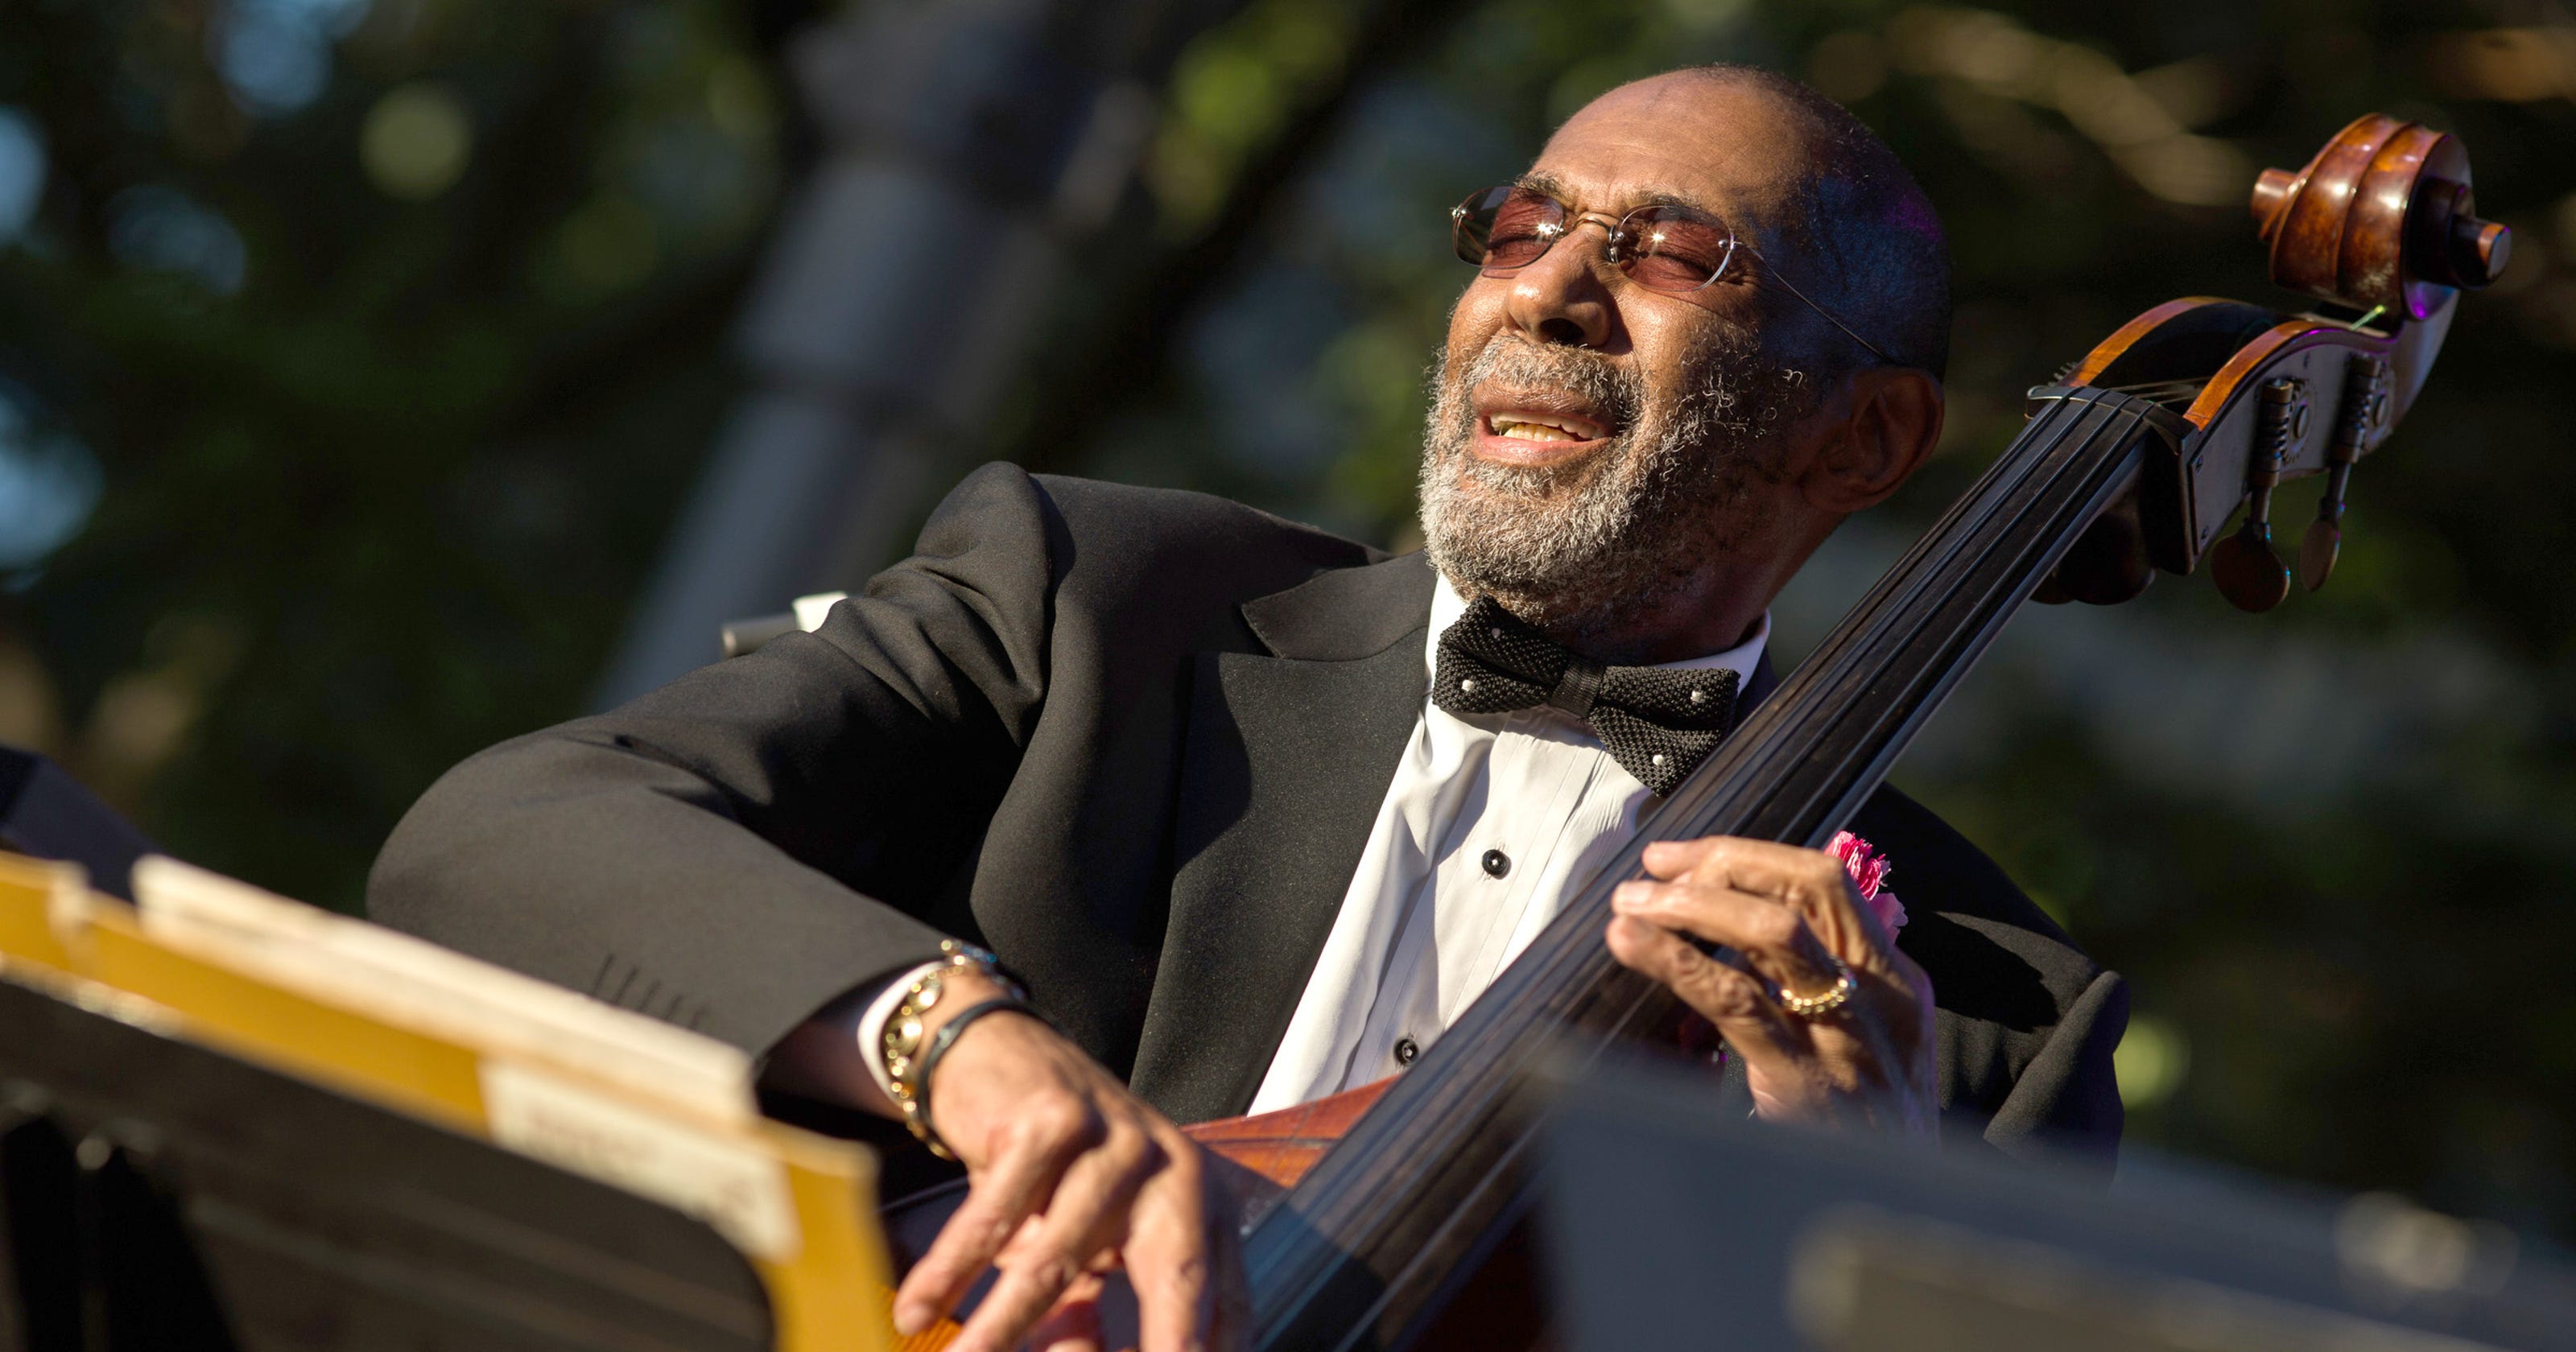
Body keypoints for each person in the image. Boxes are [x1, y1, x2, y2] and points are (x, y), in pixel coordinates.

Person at [370, 64, 2126, 1352]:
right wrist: (961, 1053)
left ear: (1866, 439)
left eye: (1671, 252)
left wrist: (1849, 1202)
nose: (1545, 292)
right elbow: (509, 837)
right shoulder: (1097, 606)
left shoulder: (1977, 1015)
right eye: (1520, 226)